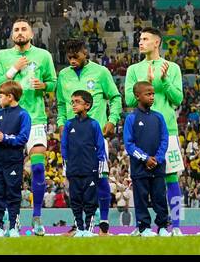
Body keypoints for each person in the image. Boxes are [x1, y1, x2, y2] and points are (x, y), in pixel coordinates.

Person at [0, 19, 56, 235]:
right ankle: (9, 220)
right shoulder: (3, 56)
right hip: (10, 119)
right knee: (9, 174)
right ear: (11, 35)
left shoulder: (43, 56)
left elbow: (54, 82)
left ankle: (37, 216)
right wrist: (13, 69)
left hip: (35, 117)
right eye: (16, 29)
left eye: (23, 29)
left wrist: (45, 86)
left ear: (31, 34)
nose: (20, 33)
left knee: (38, 167)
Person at [122, 27, 185, 232]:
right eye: (140, 38)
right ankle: (143, 226)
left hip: (168, 129)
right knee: (141, 181)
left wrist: (164, 81)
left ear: (157, 42)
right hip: (141, 132)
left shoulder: (172, 67)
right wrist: (148, 82)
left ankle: (175, 226)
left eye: (145, 39)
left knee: (171, 177)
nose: (141, 42)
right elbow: (130, 100)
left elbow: (178, 99)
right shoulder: (133, 69)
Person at [58, 38, 122, 233]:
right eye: (69, 57)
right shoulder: (63, 75)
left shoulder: (101, 72)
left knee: (100, 178)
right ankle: (80, 223)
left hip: (96, 135)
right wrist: (61, 124)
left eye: (75, 56)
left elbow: (115, 97)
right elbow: (61, 104)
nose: (72, 61)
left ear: (85, 53)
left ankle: (102, 221)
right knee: (75, 182)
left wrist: (112, 120)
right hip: (73, 136)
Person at [123, 80, 170, 237]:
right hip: (139, 168)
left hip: (157, 166)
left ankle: (163, 226)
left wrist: (157, 158)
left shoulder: (159, 117)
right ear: (137, 96)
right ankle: (143, 227)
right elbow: (129, 145)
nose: (152, 97)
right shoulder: (131, 118)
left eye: (153, 94)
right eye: (148, 94)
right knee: (141, 199)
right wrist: (145, 158)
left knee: (160, 197)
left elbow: (165, 139)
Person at [0, 80, 31, 237]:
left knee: (13, 194)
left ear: (10, 96)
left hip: (13, 161)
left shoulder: (23, 115)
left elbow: (23, 138)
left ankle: (14, 226)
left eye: (1, 96)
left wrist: (5, 138)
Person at [60, 90, 105, 236]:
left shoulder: (93, 125)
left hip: (90, 170)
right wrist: (66, 169)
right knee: (76, 201)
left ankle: (89, 229)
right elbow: (64, 147)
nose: (73, 104)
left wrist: (98, 169)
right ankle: (79, 229)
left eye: (77, 102)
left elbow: (100, 147)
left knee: (90, 201)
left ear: (87, 105)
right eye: (72, 102)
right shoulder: (68, 125)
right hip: (73, 171)